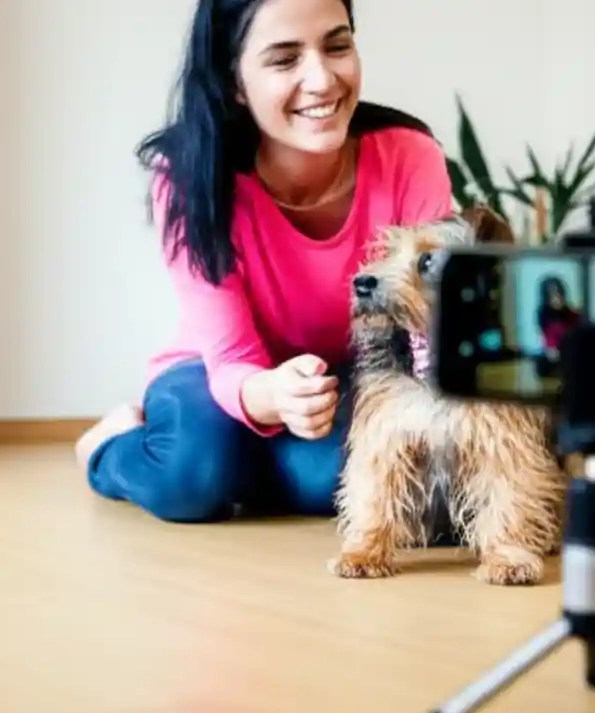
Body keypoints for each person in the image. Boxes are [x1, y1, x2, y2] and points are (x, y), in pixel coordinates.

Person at [74, 0, 454, 524]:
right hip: (218, 370)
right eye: (284, 59)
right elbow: (231, 360)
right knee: (191, 478)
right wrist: (271, 396)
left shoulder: (410, 155)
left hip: (344, 375)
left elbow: (424, 324)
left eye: (337, 45)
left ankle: (259, 467)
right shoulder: (187, 176)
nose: (322, 79)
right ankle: (108, 445)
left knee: (341, 480)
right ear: (234, 81)